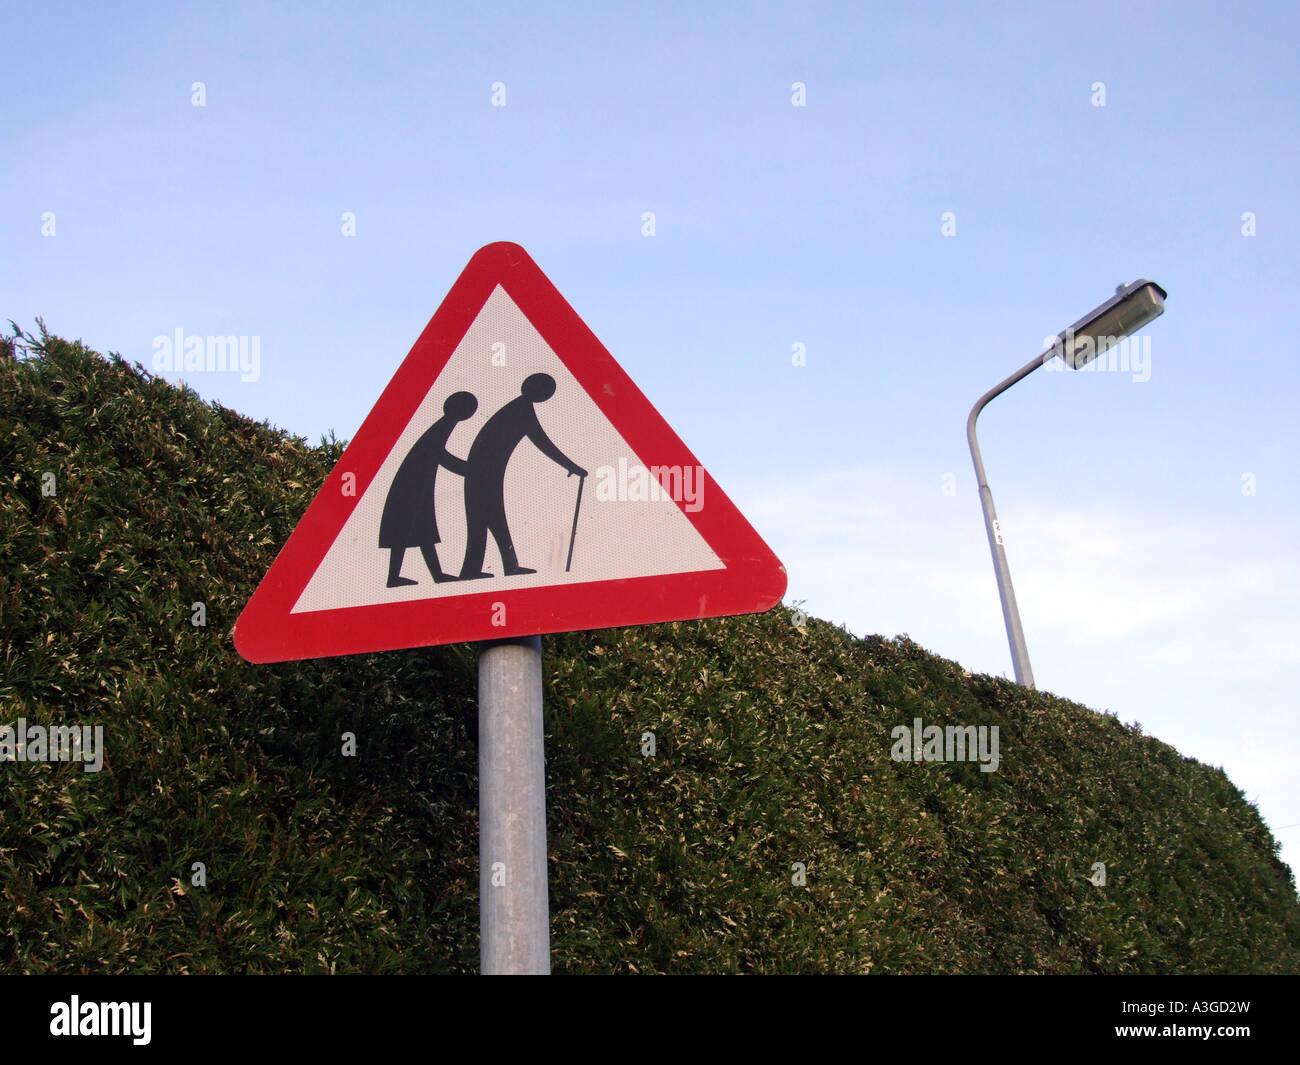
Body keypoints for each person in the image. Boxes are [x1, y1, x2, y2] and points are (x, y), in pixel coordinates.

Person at [459, 373, 585, 579]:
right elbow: (543, 442)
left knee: (493, 522)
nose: (547, 396)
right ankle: (474, 571)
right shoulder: (521, 411)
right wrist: (573, 467)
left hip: (485, 475)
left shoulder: (516, 408)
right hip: (484, 477)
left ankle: (504, 567)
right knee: (482, 523)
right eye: (546, 391)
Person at [379, 391, 477, 586]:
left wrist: (467, 470)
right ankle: (394, 577)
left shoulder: (443, 424)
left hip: (418, 484)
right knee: (404, 531)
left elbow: (438, 455)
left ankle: (436, 575)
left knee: (423, 529)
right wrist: (470, 470)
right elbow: (440, 455)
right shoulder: (443, 426)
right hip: (411, 486)